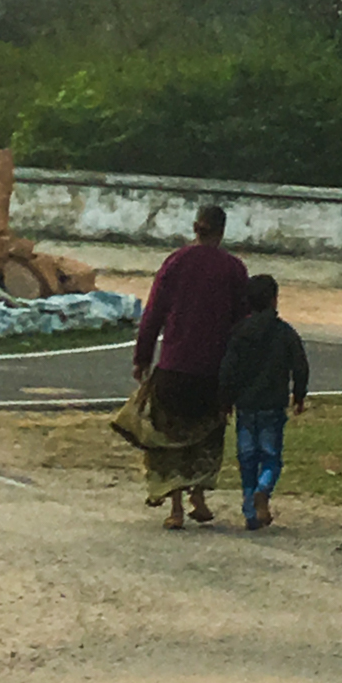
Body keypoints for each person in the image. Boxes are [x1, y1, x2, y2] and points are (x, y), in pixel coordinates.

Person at [131, 205, 249, 529]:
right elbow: (241, 322)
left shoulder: (176, 262)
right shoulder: (234, 269)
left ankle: (176, 508)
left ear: (196, 228)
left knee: (171, 436)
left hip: (175, 365)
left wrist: (142, 357)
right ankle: (198, 494)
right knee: (207, 435)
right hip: (214, 369)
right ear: (222, 231)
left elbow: (153, 313)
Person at [218, 274, 309, 531]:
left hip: (246, 405)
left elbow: (228, 369)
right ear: (274, 300)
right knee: (270, 457)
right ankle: (263, 489)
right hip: (273, 404)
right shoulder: (285, 333)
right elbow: (300, 366)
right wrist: (299, 394)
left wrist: (225, 400)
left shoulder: (239, 333)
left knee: (247, 457)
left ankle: (250, 510)